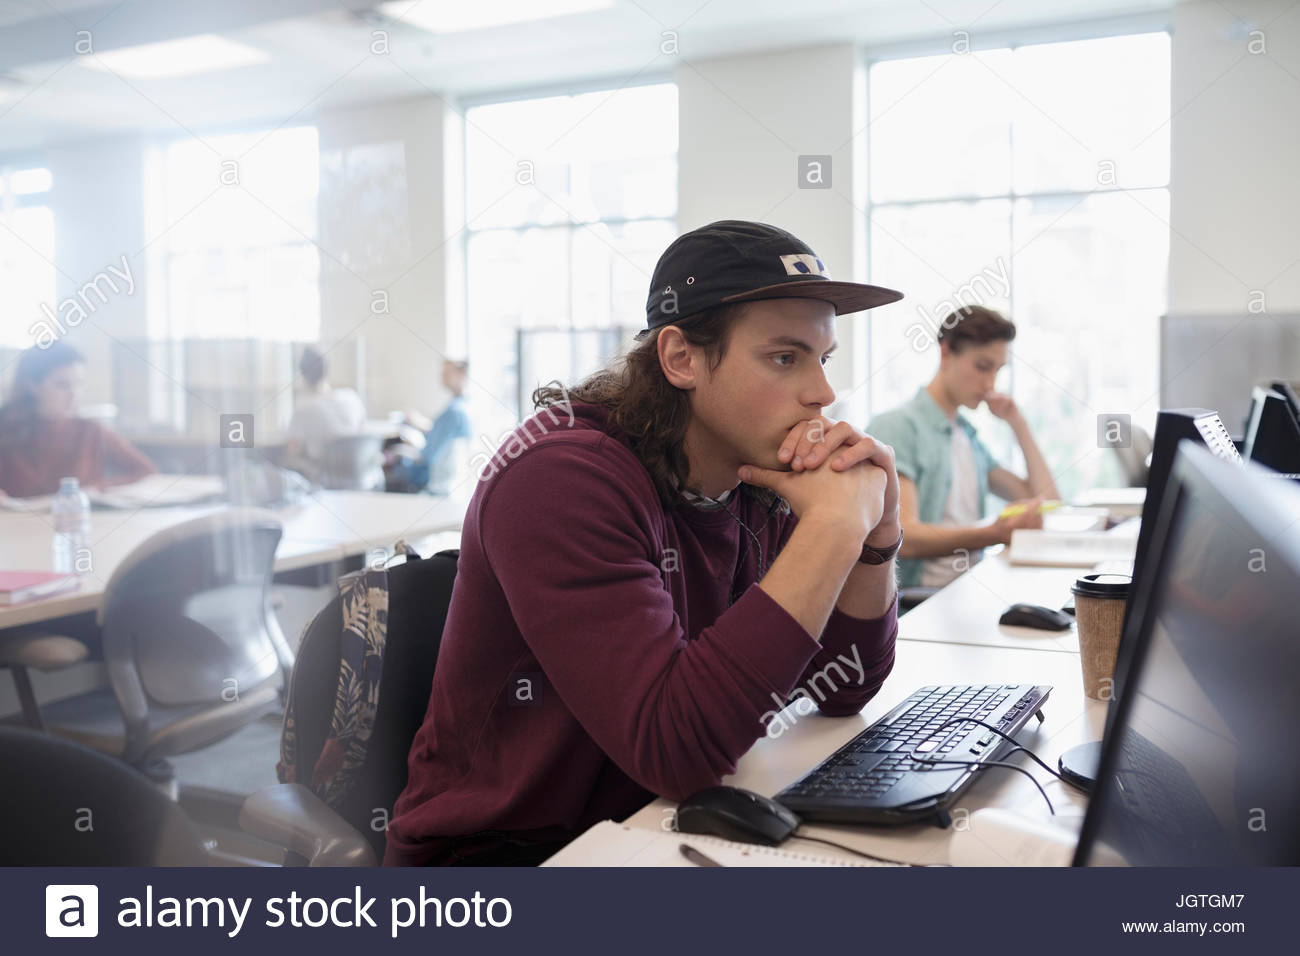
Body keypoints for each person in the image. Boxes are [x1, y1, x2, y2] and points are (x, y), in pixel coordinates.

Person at [385, 220, 905, 866]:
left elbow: (842, 688)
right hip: (509, 858)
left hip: (653, 831)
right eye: (784, 357)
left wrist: (877, 538)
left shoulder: (756, 472)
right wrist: (834, 528)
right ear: (681, 358)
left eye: (822, 360)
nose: (822, 393)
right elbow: (675, 750)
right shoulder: (559, 479)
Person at [867, 305, 1060, 591]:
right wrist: (994, 533)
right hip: (923, 599)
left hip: (970, 587)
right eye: (983, 367)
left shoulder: (968, 437)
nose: (990, 383)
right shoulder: (898, 427)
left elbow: (1046, 500)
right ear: (946, 353)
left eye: (998, 370)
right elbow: (904, 536)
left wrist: (1018, 424)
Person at [0, 341, 155, 499]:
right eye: (62, 385)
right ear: (32, 385)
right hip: (19, 522)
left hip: (78, 520)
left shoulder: (89, 429)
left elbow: (145, 469)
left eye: (79, 384)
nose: (74, 395)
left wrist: (99, 487)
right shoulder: (5, 429)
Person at [386, 359, 473, 494]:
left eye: (446, 373)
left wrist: (407, 449)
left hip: (430, 480)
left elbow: (428, 456)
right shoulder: (463, 407)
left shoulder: (454, 412)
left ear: (461, 374)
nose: (442, 377)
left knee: (390, 464)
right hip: (444, 478)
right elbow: (439, 436)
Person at [284, 346, 367, 480]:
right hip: (360, 479)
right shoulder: (351, 396)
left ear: (303, 376)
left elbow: (292, 452)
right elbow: (361, 431)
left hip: (326, 482)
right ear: (326, 371)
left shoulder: (303, 410)